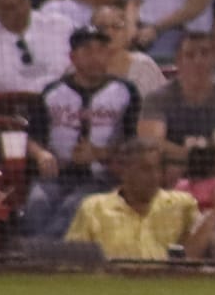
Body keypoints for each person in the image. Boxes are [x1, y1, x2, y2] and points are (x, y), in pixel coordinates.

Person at [22, 26, 141, 238]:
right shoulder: (53, 92)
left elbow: (135, 145)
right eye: (87, 50)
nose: (95, 57)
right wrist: (41, 154)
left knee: (73, 207)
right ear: (73, 57)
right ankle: (40, 258)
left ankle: (36, 258)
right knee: (36, 205)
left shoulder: (125, 92)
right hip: (57, 176)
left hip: (103, 177)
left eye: (101, 50)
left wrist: (100, 153)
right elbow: (32, 137)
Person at [65, 137, 215, 260]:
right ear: (123, 170)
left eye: (157, 169)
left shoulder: (183, 205)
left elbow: (193, 255)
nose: (154, 177)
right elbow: (73, 261)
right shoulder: (94, 208)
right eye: (145, 169)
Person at [138, 32, 215, 157]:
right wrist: (195, 157)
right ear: (178, 60)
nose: (198, 61)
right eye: (190, 55)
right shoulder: (157, 99)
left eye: (205, 54)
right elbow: (153, 144)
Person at [92, 3, 166, 97]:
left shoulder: (144, 65)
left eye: (116, 26)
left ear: (126, 32)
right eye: (102, 27)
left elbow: (164, 106)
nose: (109, 32)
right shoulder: (80, 67)